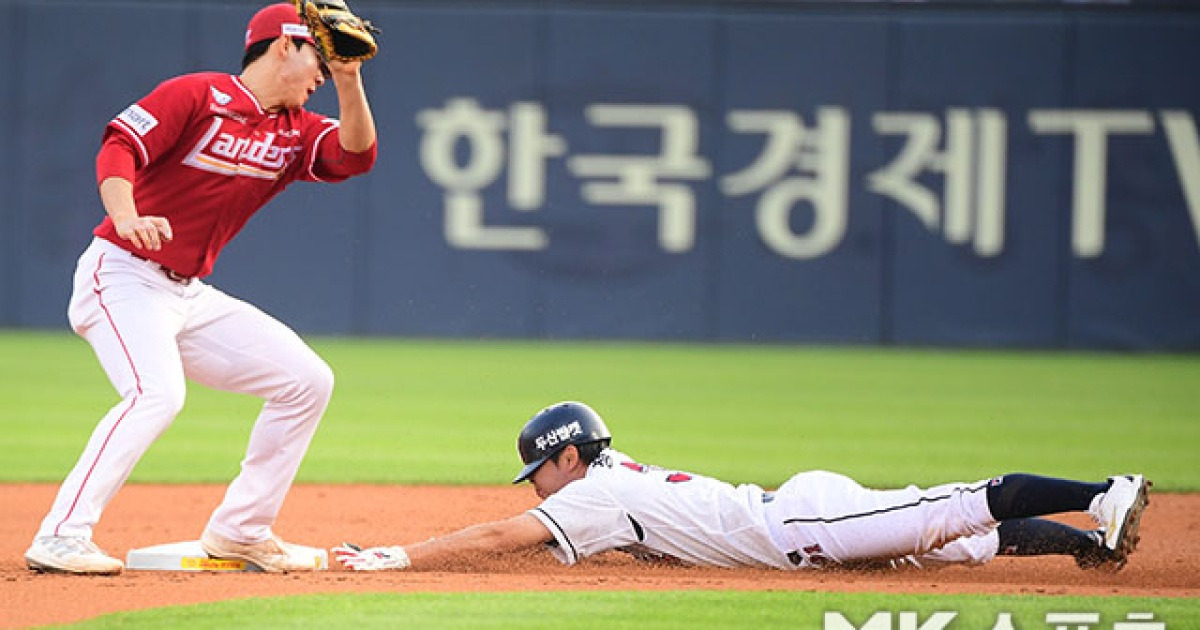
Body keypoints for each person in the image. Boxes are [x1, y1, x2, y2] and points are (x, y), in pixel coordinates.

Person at [25, 3, 377, 575]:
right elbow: (120, 145)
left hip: (187, 295)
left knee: (306, 380)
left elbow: (356, 156)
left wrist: (349, 78)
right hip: (122, 273)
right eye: (321, 54)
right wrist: (127, 212)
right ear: (283, 45)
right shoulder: (199, 94)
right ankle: (62, 534)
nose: (324, 70)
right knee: (156, 394)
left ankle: (241, 531)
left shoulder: (297, 129)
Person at [334, 401, 1150, 573]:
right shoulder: (617, 486)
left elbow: (501, 536)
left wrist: (397, 557)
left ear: (568, 458)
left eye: (539, 468)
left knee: (949, 507)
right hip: (797, 519)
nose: (536, 486)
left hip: (807, 523)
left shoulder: (585, 495)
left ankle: (1102, 493)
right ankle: (1090, 547)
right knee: (943, 547)